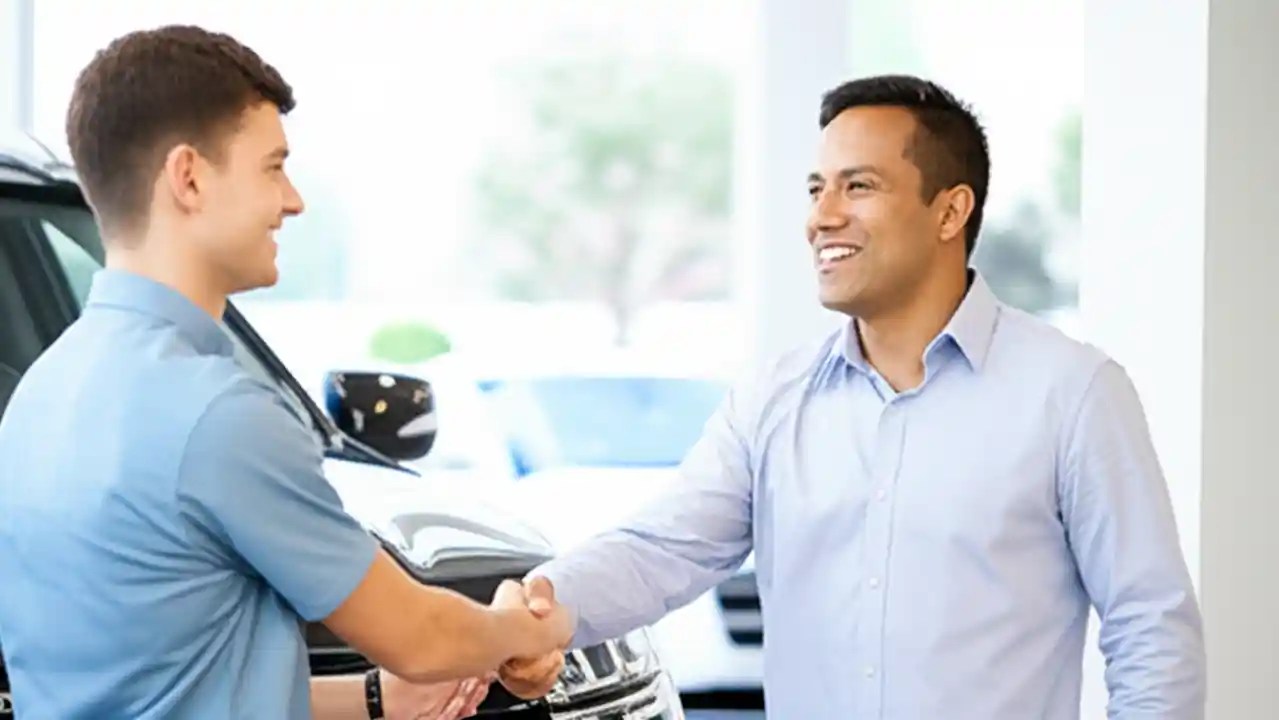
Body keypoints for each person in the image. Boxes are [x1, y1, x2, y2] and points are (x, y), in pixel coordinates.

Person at [499, 74, 1208, 718]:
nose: (821, 217)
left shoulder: (1072, 393)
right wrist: (541, 609)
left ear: (950, 210)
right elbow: (660, 551)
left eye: (858, 186)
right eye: (817, 189)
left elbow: (1151, 631)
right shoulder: (774, 399)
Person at [0, 25, 571, 720]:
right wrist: (529, 625)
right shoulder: (217, 413)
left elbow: (169, 682)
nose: (293, 200)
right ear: (188, 177)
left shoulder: (38, 395)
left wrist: (376, 700)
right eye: (273, 167)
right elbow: (421, 637)